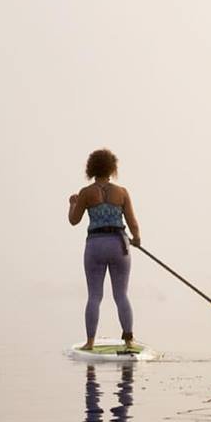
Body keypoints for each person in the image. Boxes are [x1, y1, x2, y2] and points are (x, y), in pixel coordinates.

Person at [68, 148, 141, 350]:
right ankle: (129, 340)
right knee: (121, 295)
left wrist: (73, 203)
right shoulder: (122, 192)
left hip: (95, 246)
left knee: (94, 296)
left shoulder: (85, 193)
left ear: (91, 169)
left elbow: (74, 220)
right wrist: (137, 239)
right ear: (112, 168)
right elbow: (133, 223)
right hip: (119, 245)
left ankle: (90, 342)